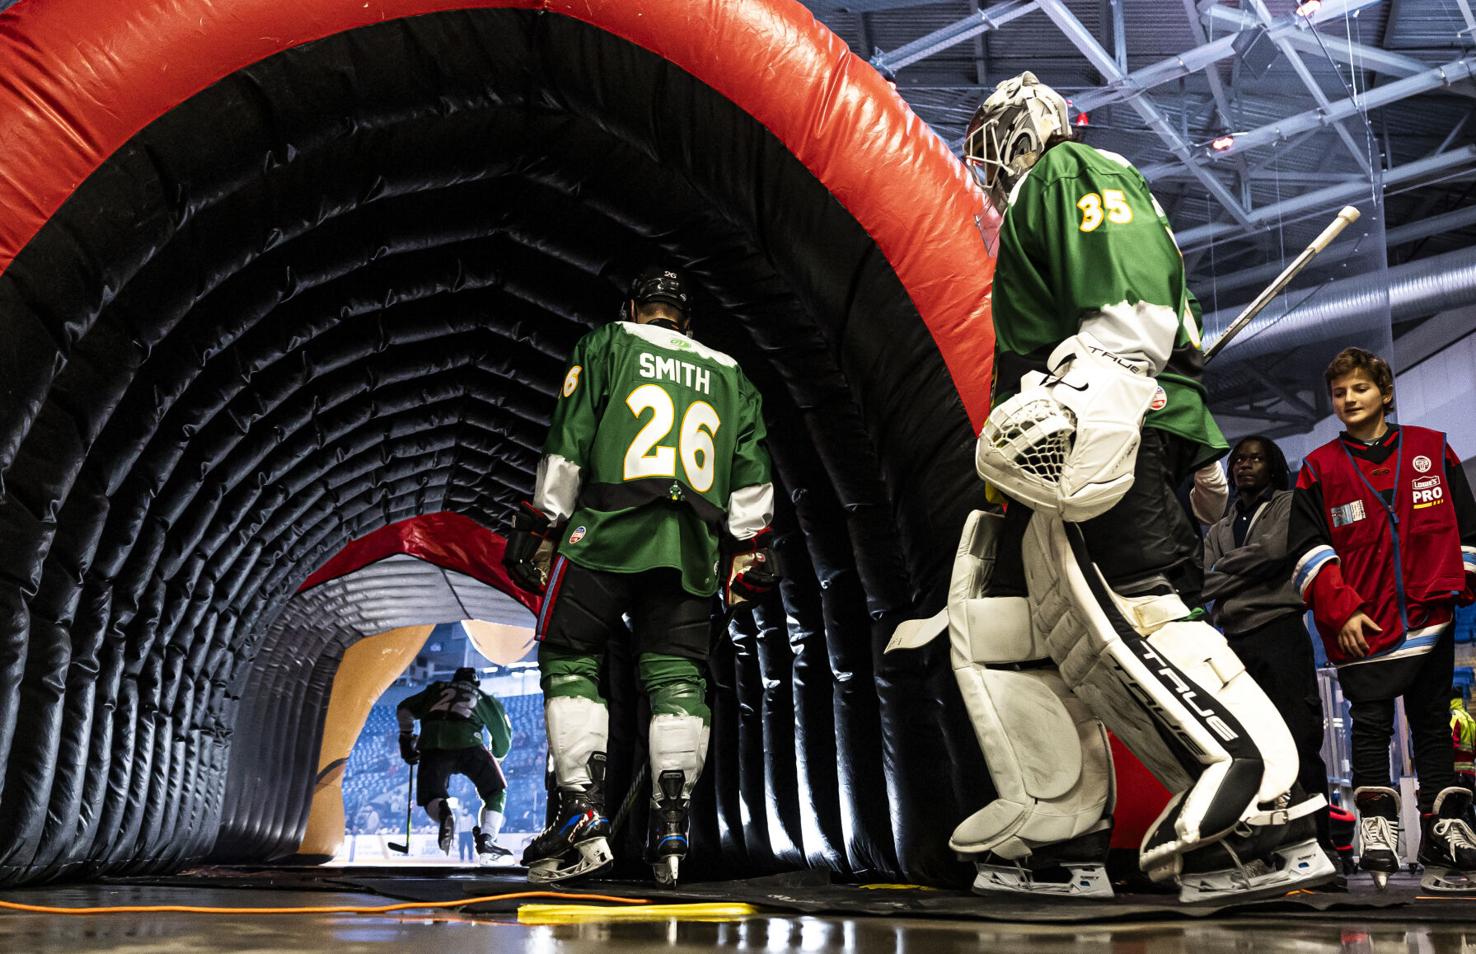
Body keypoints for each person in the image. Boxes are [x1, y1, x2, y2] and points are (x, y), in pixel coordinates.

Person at [889, 71, 1331, 902]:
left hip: (1100, 437)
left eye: (990, 133)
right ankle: (1059, 824)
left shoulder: (1072, 172)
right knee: (1010, 628)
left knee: (1134, 611)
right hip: (1080, 441)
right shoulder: (1051, 197)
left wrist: (1093, 414)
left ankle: (1262, 798)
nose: (983, 156)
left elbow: (1132, 316)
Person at [503, 265, 777, 886]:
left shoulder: (608, 343)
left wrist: (544, 520)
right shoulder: (733, 375)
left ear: (634, 307)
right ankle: (672, 826)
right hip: (690, 548)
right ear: (688, 322)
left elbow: (570, 438)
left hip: (606, 530)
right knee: (677, 676)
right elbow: (752, 476)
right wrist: (748, 551)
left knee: (570, 655)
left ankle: (580, 814)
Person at [1290, 346, 1476, 891]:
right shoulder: (1319, 468)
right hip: (1360, 626)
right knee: (1369, 731)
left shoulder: (1431, 449)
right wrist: (1343, 610)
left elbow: (1467, 530)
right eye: (1340, 393)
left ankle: (1447, 833)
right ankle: (1377, 832)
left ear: (1385, 394)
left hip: (1429, 618)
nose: (1348, 399)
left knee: (1433, 728)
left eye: (1359, 389)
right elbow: (1307, 549)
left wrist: (1453, 590)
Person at [1202, 435, 1336, 875]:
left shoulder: (1287, 504)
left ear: (1272, 465)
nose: (1244, 466)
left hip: (1281, 634)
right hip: (1235, 641)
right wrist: (1243, 570)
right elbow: (1206, 582)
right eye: (1238, 459)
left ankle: (1321, 846)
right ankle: (1263, 853)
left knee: (1300, 742)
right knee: (1252, 750)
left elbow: (1276, 552)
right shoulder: (1219, 527)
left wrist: (1227, 570)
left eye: (1255, 459)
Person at [396, 667, 515, 860]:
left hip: (432, 745)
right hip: (470, 744)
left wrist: (405, 738)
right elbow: (503, 739)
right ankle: (487, 840)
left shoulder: (436, 689)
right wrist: (496, 758)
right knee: (495, 792)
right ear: (476, 684)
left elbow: (403, 709)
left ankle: (443, 811)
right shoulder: (484, 698)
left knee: (431, 796)